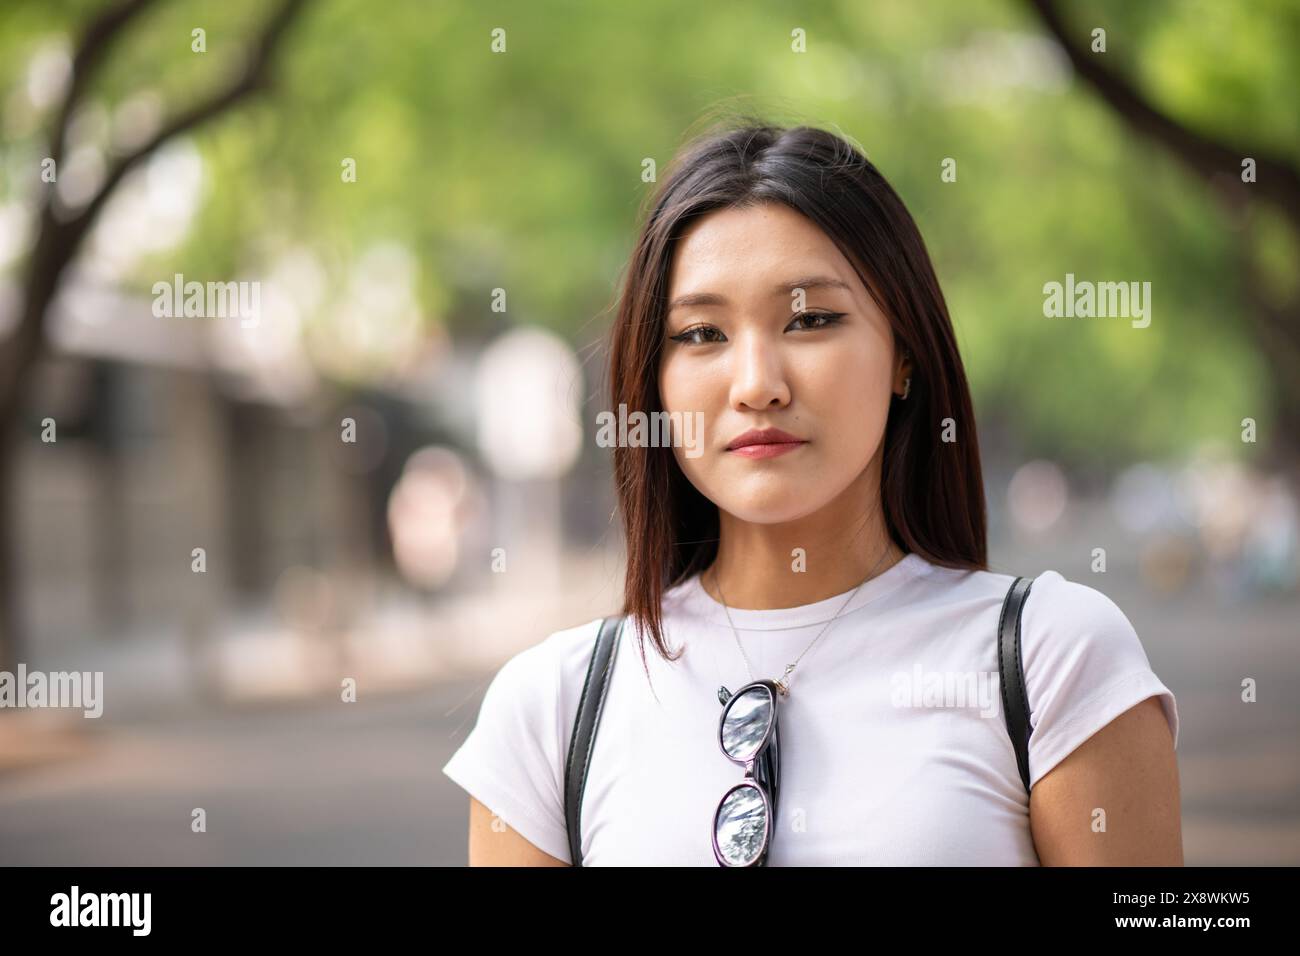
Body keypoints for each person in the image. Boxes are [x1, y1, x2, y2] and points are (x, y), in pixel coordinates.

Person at [442, 120, 1181, 866]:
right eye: (701, 334)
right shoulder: (553, 709)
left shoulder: (1053, 659)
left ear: (905, 357)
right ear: (653, 381)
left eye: (811, 319)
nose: (757, 383)